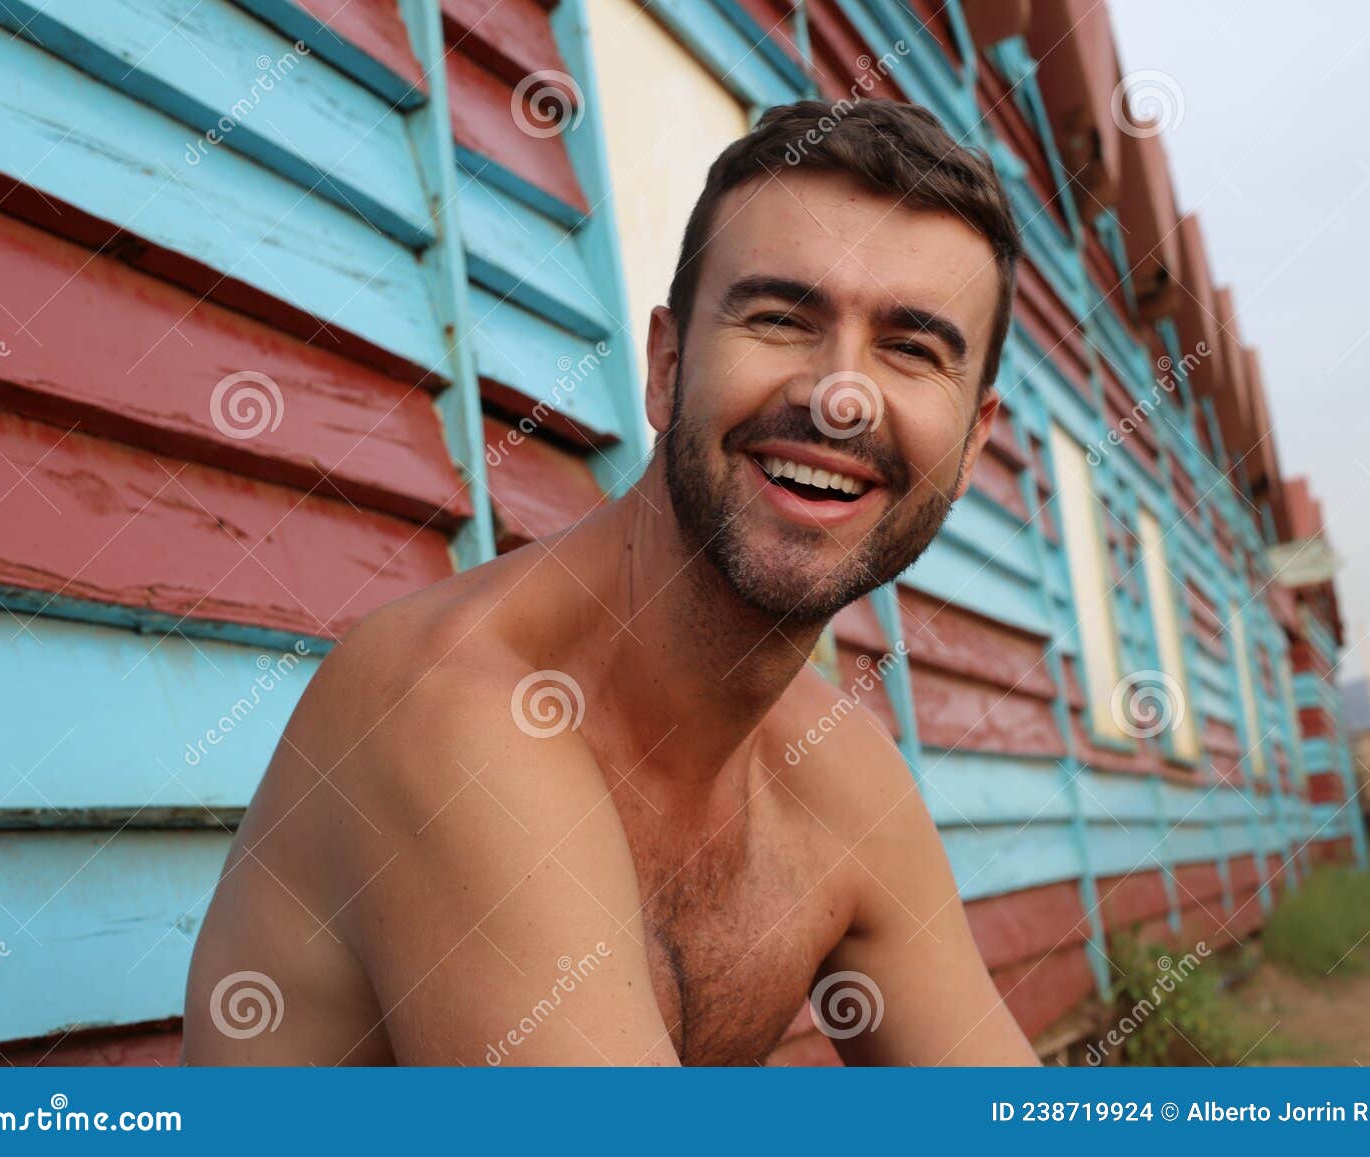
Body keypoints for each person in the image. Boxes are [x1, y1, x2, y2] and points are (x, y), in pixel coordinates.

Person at [183, 98, 1038, 1066]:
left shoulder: (838, 778)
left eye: (911, 348)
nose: (839, 396)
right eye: (779, 319)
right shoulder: (455, 710)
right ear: (668, 367)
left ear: (969, 444)